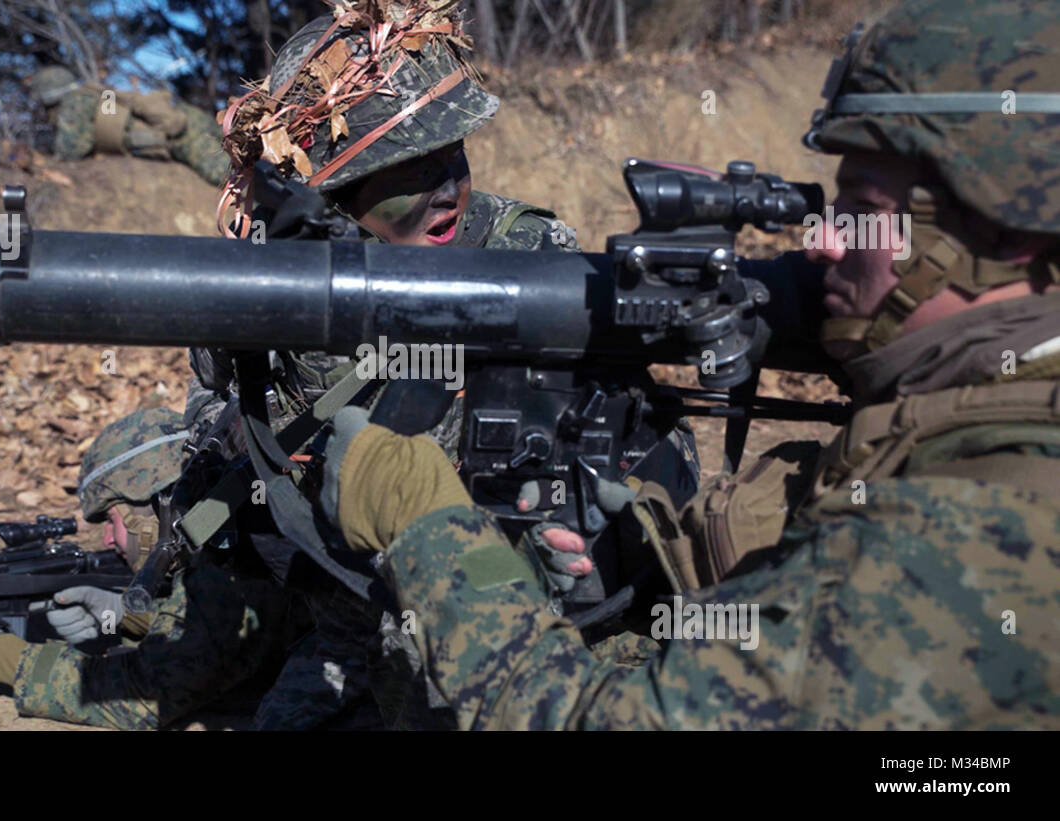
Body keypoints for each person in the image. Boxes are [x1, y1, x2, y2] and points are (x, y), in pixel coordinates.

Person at [312, 0, 1060, 729]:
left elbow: (585, 718)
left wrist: (428, 527)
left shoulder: (968, 526)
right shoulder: (986, 412)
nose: (826, 242)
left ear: (1007, 229)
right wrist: (650, 547)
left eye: (861, 209)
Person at [177, 4, 702, 729]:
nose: (449, 185)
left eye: (453, 153)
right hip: (356, 616)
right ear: (330, 192)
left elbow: (658, 446)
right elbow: (217, 410)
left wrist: (572, 530)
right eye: (411, 169)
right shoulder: (281, 287)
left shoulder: (527, 261)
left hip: (516, 609)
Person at [0, 408, 308, 730]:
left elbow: (143, 696)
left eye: (112, 519)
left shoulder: (232, 567)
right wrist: (128, 618)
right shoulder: (249, 520)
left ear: (156, 508)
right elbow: (230, 640)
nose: (107, 539)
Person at [29, 66, 230, 187]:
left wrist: (46, 151)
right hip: (189, 117)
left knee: (234, 182)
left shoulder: (74, 103)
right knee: (247, 168)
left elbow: (72, 149)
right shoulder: (90, 93)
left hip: (184, 136)